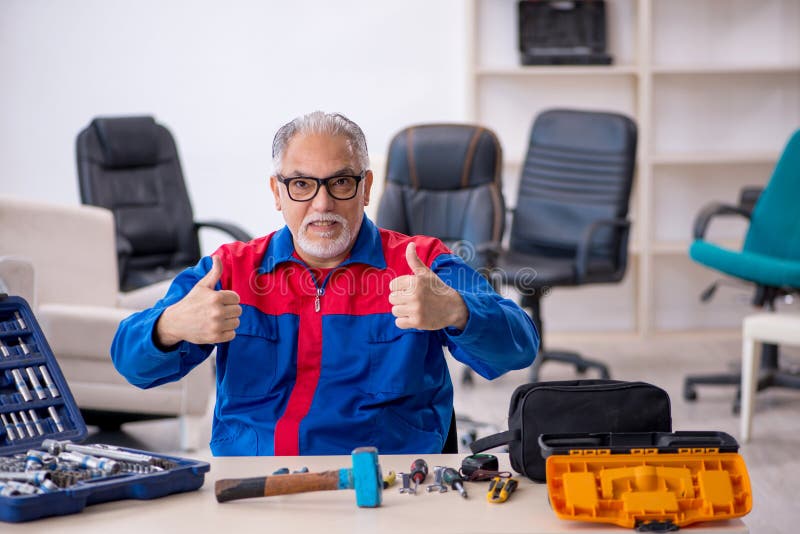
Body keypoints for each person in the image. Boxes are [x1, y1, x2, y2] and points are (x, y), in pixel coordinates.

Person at [111, 111, 539, 456]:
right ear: (277, 193)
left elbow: (519, 346)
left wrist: (457, 311)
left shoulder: (421, 263)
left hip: (389, 490)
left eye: (340, 182)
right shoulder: (230, 271)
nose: (322, 203)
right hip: (254, 490)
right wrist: (169, 327)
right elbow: (130, 364)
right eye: (301, 184)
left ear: (365, 187)